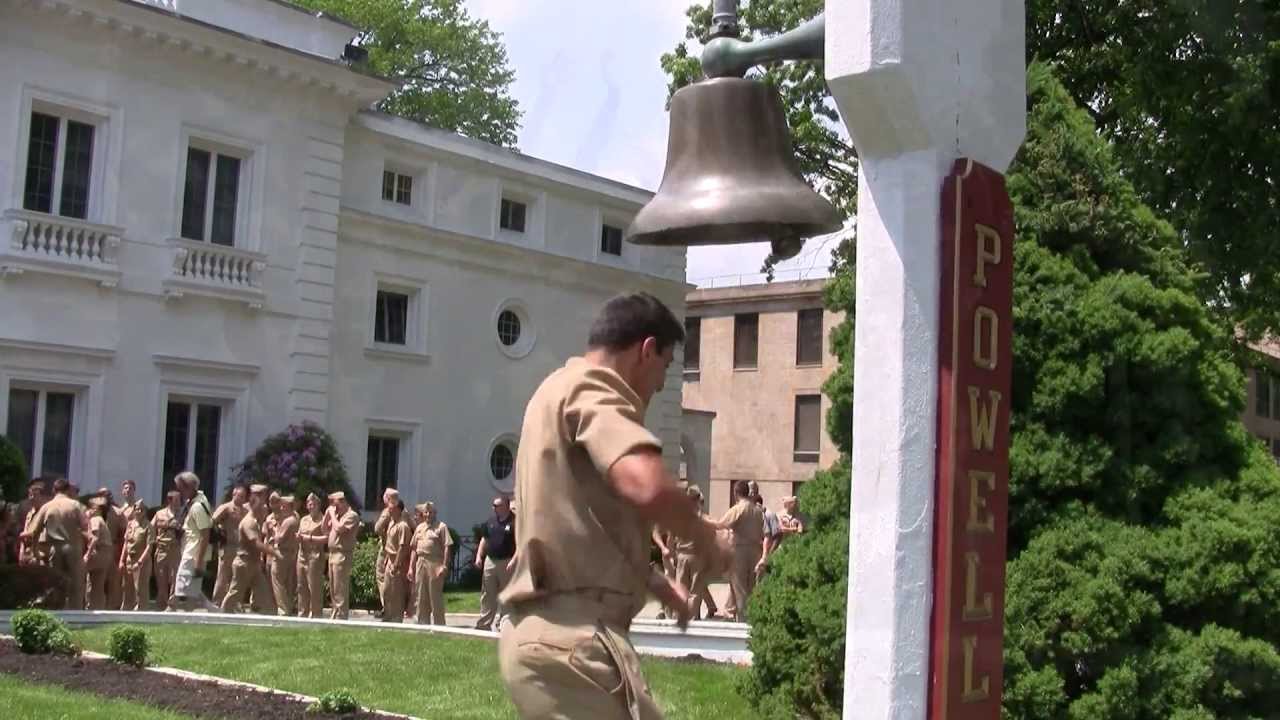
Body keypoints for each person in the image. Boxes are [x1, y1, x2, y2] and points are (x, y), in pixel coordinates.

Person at [498, 292, 731, 720]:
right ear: (646, 350)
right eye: (663, 368)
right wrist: (707, 541)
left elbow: (581, 528)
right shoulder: (595, 388)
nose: (660, 386)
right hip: (571, 645)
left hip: (544, 639)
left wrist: (658, 585)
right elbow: (647, 485)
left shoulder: (552, 392)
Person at [21, 477, 87, 609]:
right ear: (68, 490)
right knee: (75, 586)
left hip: (54, 549)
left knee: (56, 585)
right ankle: (76, 617)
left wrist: (35, 552)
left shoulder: (47, 506)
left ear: (53, 490)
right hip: (72, 547)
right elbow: (85, 527)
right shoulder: (75, 505)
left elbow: (34, 532)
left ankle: (57, 613)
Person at [221, 484, 280, 614]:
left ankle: (271, 617)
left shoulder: (256, 521)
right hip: (244, 563)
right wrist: (274, 552)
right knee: (235, 593)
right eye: (262, 507)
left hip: (253, 563)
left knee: (263, 592)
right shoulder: (249, 522)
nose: (265, 510)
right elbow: (256, 543)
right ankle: (223, 615)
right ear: (254, 507)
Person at [717, 480, 767, 622]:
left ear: (736, 493)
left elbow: (721, 524)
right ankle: (750, 620)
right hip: (755, 552)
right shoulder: (758, 511)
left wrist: (703, 521)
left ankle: (742, 623)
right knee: (751, 589)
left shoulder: (738, 509)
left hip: (739, 552)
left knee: (740, 590)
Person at [172, 472, 217, 612]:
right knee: (190, 590)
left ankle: (190, 618)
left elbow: (205, 534)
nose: (179, 492)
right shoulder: (192, 502)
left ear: (189, 487)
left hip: (193, 553)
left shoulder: (198, 506)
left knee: (184, 594)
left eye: (180, 488)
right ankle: (213, 610)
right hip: (190, 550)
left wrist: (198, 562)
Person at [475, 495, 516, 632]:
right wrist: (479, 556)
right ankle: (483, 624)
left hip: (507, 561)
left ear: (505, 506)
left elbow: (521, 543)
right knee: (487, 593)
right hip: (490, 560)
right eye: (493, 505)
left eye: (496, 505)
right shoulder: (491, 521)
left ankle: (503, 625)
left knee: (505, 594)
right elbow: (484, 539)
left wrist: (514, 560)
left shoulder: (515, 522)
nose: (493, 508)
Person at [409, 501, 452, 625]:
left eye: (431, 512)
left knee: (435, 596)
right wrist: (411, 568)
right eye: (426, 512)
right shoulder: (419, 528)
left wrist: (444, 566)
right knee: (421, 595)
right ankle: (423, 624)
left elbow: (447, 546)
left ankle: (439, 626)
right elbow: (413, 548)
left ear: (435, 513)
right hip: (420, 562)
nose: (428, 515)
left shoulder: (441, 527)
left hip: (435, 563)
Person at [324, 491, 360, 620]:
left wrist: (333, 515)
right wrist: (328, 516)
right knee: (333, 587)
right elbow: (325, 530)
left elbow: (339, 529)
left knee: (340, 587)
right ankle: (335, 612)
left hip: (342, 554)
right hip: (333, 553)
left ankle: (341, 615)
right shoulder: (337, 516)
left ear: (343, 501)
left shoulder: (351, 515)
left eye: (335, 504)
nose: (334, 507)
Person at [211, 484, 247, 605]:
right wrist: (220, 532)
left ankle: (233, 603)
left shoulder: (245, 510)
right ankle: (217, 602)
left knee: (237, 577)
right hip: (227, 547)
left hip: (241, 548)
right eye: (239, 496)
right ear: (234, 495)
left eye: (243, 496)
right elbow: (212, 521)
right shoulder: (226, 508)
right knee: (223, 576)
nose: (242, 498)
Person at [378, 499, 411, 623]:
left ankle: (396, 619)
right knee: (387, 591)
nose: (388, 510)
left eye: (391, 508)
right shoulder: (392, 523)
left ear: (398, 509)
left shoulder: (403, 526)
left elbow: (403, 547)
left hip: (397, 564)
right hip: (389, 561)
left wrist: (396, 564)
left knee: (396, 593)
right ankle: (388, 617)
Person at [296, 492, 327, 618]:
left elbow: (327, 538)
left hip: (315, 555)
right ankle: (302, 612)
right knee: (301, 585)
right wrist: (298, 537)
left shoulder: (323, 520)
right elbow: (299, 533)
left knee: (314, 586)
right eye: (309, 504)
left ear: (318, 505)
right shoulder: (304, 519)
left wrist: (310, 538)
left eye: (313, 504)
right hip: (302, 554)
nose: (311, 506)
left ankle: (315, 614)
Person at [151, 490, 182, 610]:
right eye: (177, 499)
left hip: (175, 549)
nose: (180, 502)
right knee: (161, 578)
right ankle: (162, 604)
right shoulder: (159, 514)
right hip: (162, 550)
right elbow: (151, 529)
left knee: (175, 579)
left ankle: (172, 605)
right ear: (169, 500)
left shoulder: (183, 514)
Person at [84, 497, 116, 610]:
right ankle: (98, 608)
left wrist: (87, 555)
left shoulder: (95, 520)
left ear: (98, 510)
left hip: (98, 552)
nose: (89, 510)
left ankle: (86, 607)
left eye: (91, 508)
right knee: (98, 584)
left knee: (80, 576)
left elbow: (95, 539)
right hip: (106, 555)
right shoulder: (102, 520)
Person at [270, 495, 300, 616]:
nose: (281, 508)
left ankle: (283, 608)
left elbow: (279, 538)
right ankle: (288, 606)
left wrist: (274, 528)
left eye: (284, 506)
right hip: (290, 554)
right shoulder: (295, 518)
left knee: (277, 580)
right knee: (287, 582)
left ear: (289, 507)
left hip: (282, 553)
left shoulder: (288, 521)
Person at [121, 504, 154, 611]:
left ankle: (141, 611)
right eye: (136, 509)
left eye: (141, 510)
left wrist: (140, 562)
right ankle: (126, 609)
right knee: (126, 586)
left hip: (141, 560)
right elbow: (125, 543)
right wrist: (122, 560)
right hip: (129, 559)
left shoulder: (148, 526)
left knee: (140, 588)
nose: (138, 511)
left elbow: (149, 546)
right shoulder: (130, 524)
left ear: (145, 512)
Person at [373, 487, 399, 617]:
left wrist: (384, 535)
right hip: (397, 549)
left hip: (387, 549)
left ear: (387, 498)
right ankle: (392, 607)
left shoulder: (387, 511)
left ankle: (387, 607)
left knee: (382, 577)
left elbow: (377, 528)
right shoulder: (403, 510)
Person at [17, 479, 49, 567]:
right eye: (30, 495)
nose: (31, 498)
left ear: (42, 497)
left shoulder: (46, 513)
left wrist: (25, 534)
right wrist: (21, 553)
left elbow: (42, 533)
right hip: (27, 554)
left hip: (39, 555)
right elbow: (23, 536)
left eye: (34, 495)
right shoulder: (30, 513)